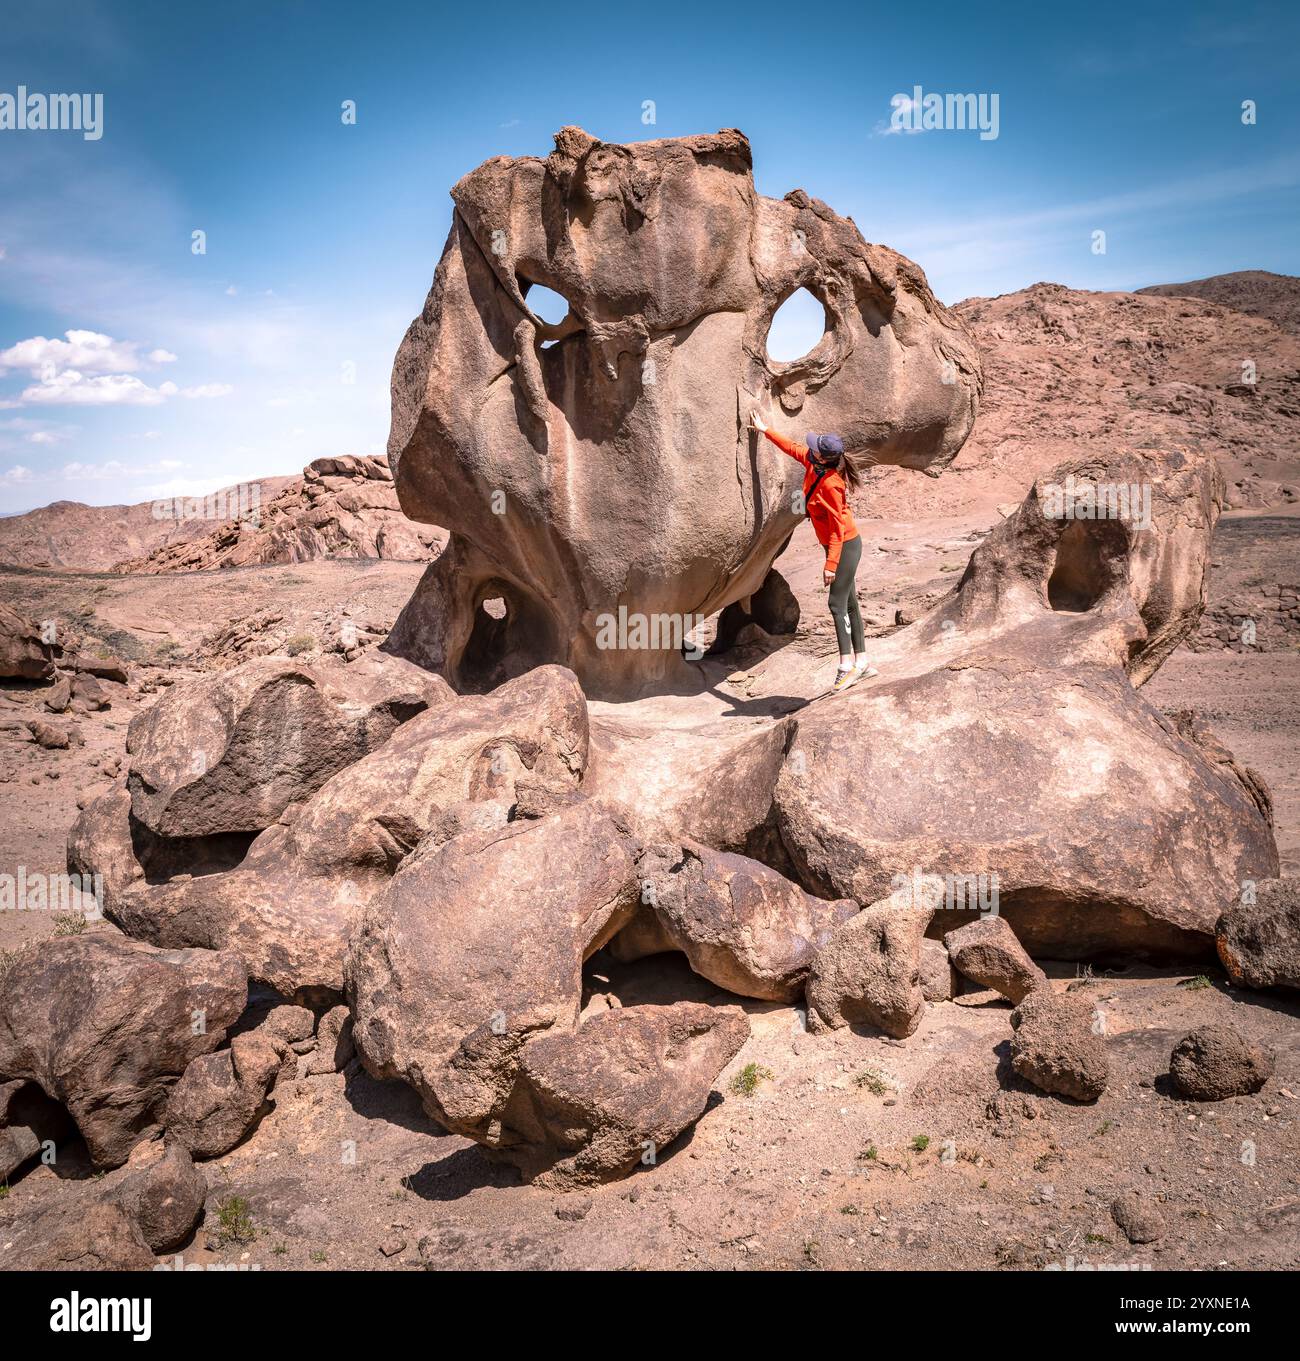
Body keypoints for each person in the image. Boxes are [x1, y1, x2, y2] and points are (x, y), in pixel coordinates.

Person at [749, 410, 876, 692]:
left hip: (844, 546)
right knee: (850, 604)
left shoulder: (832, 485)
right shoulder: (813, 462)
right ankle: (863, 662)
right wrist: (764, 430)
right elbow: (792, 448)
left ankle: (845, 667)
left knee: (836, 604)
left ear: (824, 458)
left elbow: (838, 529)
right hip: (837, 545)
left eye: (816, 448)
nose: (810, 449)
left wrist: (831, 564)